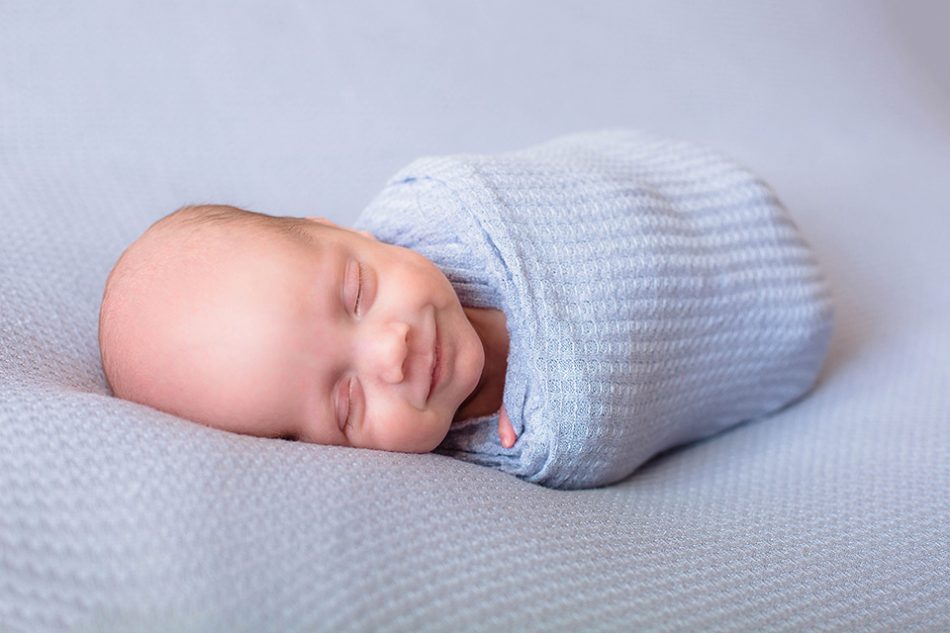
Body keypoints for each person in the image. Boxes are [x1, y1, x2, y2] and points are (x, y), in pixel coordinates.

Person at [98, 205, 520, 453]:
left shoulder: (455, 214)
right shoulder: (488, 463)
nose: (392, 352)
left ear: (342, 230)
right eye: (347, 403)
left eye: (357, 295)